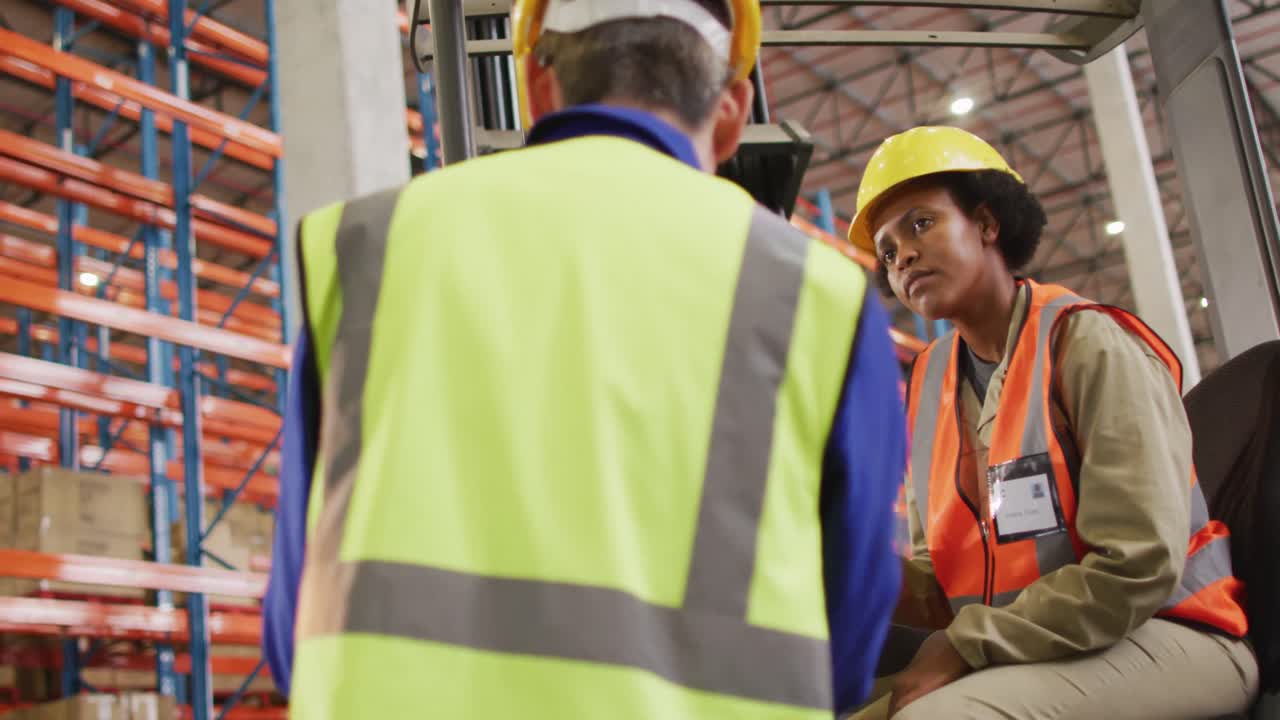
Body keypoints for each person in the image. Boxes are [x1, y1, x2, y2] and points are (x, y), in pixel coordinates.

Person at [262, 1, 909, 717]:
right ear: (731, 114)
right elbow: (848, 648)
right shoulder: (817, 297)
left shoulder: (369, 248)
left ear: (538, 90)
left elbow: (293, 631)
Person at [845, 126, 1257, 720]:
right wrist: (845, 569)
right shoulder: (930, 384)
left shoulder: (1086, 343)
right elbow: (946, 583)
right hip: (1032, 644)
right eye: (886, 252)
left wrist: (965, 642)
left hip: (1171, 629)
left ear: (987, 224)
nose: (902, 256)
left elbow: (1137, 565)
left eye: (921, 224)